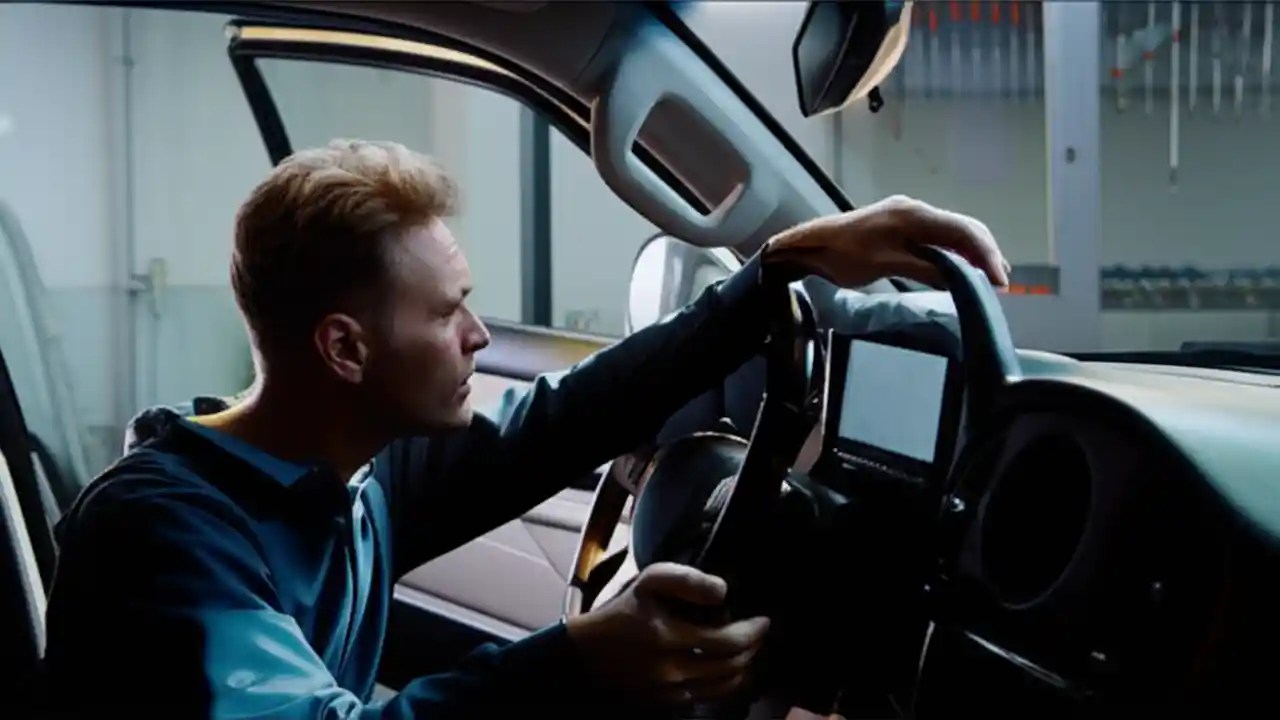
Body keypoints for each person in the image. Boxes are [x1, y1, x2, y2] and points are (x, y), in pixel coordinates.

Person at [40, 139, 1008, 718]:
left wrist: (775, 270)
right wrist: (578, 660)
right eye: (446, 312)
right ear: (345, 349)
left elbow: (556, 426)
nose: (474, 336)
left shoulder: (338, 479)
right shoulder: (166, 533)